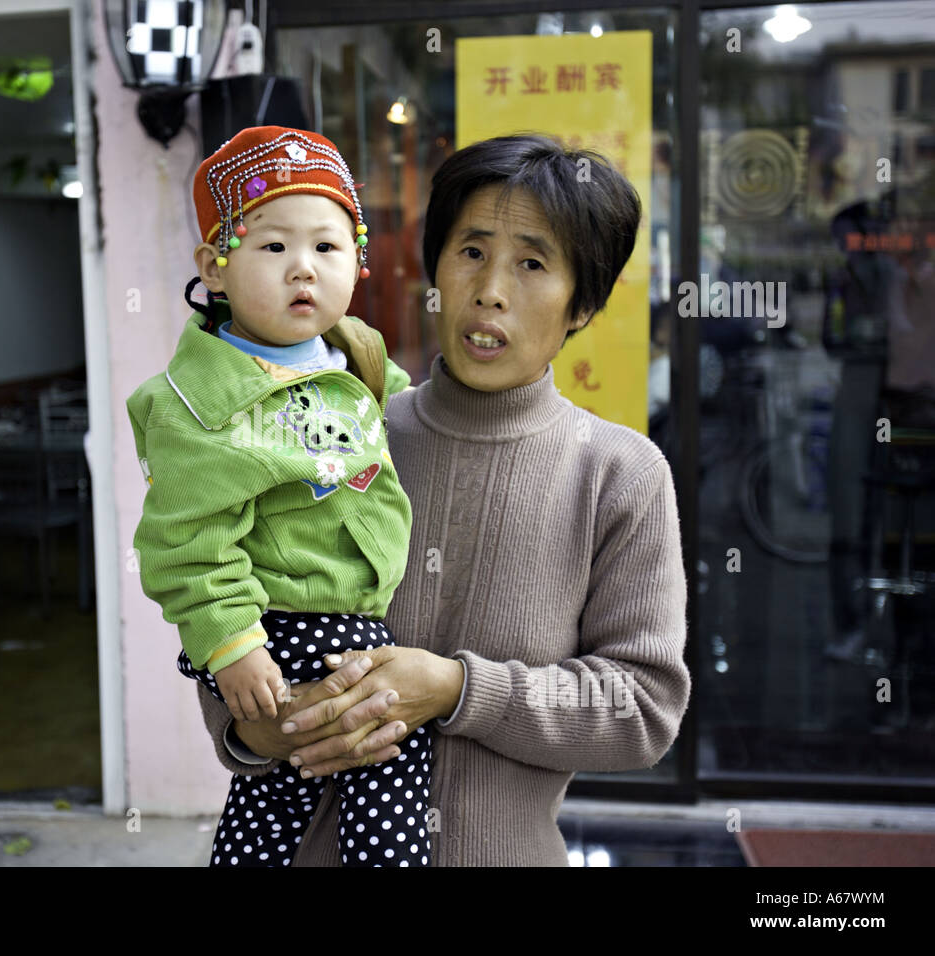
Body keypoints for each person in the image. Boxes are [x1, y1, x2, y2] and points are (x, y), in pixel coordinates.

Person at [193, 133, 692, 866]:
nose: (491, 289)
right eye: (471, 252)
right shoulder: (332, 435)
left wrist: (458, 690)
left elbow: (641, 709)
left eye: (532, 263)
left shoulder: (621, 474)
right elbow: (224, 614)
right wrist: (265, 725)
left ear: (582, 304)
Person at [126, 126, 436, 866]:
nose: (303, 268)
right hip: (277, 628)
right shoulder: (201, 400)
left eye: (327, 248)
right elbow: (183, 541)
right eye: (272, 248)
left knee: (295, 791)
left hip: (355, 618)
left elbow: (413, 422)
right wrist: (232, 648)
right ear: (216, 267)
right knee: (378, 753)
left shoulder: (356, 352)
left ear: (357, 264)